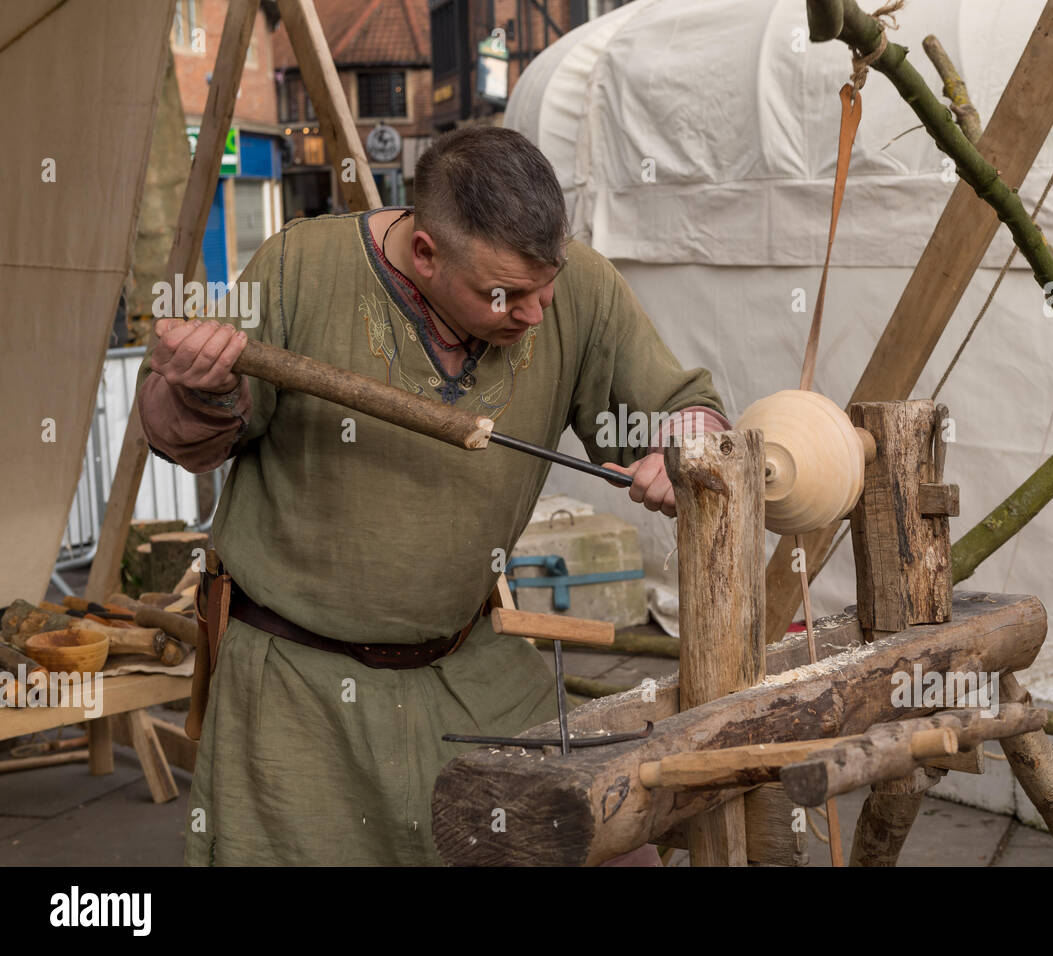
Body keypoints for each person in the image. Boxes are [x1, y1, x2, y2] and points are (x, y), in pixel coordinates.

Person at [137, 126, 729, 865]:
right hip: (297, 686)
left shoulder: (574, 289)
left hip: (471, 661)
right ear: (425, 255)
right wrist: (200, 389)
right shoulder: (299, 267)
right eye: (506, 295)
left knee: (597, 839)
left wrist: (686, 447)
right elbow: (180, 437)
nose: (537, 315)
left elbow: (674, 403)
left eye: (547, 288)